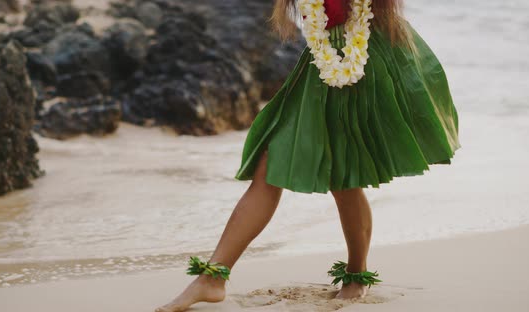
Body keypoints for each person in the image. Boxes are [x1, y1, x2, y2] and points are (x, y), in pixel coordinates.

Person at [155, 0, 460, 311]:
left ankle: (356, 275)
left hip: (363, 61)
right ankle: (212, 278)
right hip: (322, 62)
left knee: (343, 175)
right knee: (273, 164)